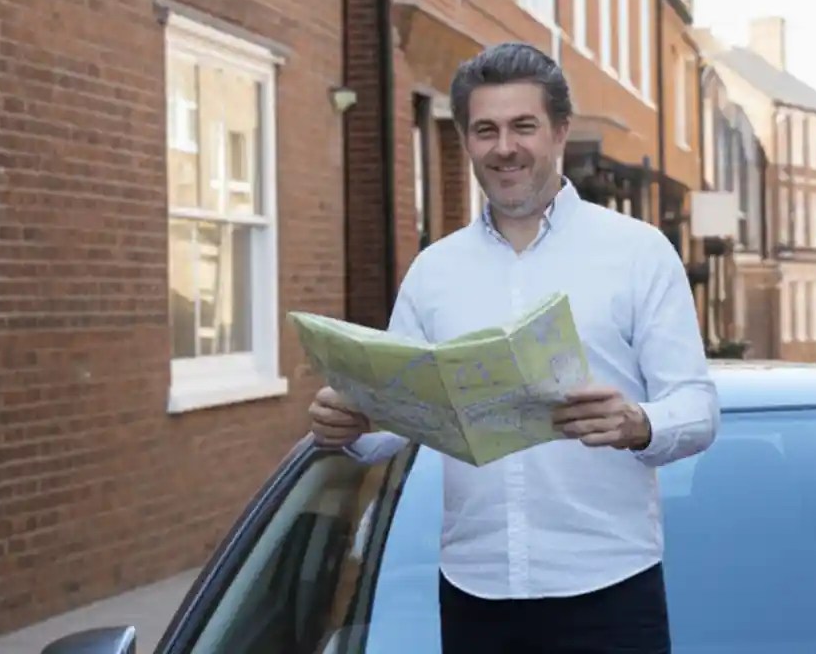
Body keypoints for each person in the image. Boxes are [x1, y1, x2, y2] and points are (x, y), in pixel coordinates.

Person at [308, 41, 719, 653]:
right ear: (469, 141)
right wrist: (346, 421)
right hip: (475, 595)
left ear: (559, 131)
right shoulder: (433, 271)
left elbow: (698, 407)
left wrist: (639, 422)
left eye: (523, 126)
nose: (505, 147)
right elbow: (388, 429)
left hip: (610, 589)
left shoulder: (639, 253)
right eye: (485, 130)